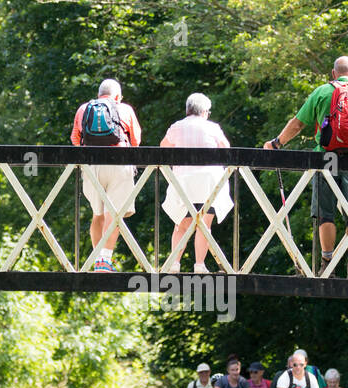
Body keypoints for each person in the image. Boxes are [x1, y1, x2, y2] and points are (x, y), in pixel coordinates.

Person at [263, 56, 348, 279]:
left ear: (333, 73)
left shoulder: (322, 92)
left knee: (325, 213)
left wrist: (277, 143)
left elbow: (298, 124)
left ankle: (327, 265)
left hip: (326, 158)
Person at [71, 78, 144, 273]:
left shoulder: (84, 109)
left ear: (98, 95)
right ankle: (105, 260)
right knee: (114, 214)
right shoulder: (125, 109)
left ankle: (97, 261)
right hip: (119, 164)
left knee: (98, 214)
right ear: (118, 97)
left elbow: (75, 139)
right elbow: (136, 140)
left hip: (93, 165)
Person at [159, 93, 233, 273]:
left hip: (184, 182)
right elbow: (227, 150)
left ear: (187, 110)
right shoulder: (213, 127)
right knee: (205, 225)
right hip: (209, 182)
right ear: (205, 111)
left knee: (181, 224)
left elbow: (162, 149)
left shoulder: (176, 127)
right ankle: (200, 265)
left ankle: (175, 263)